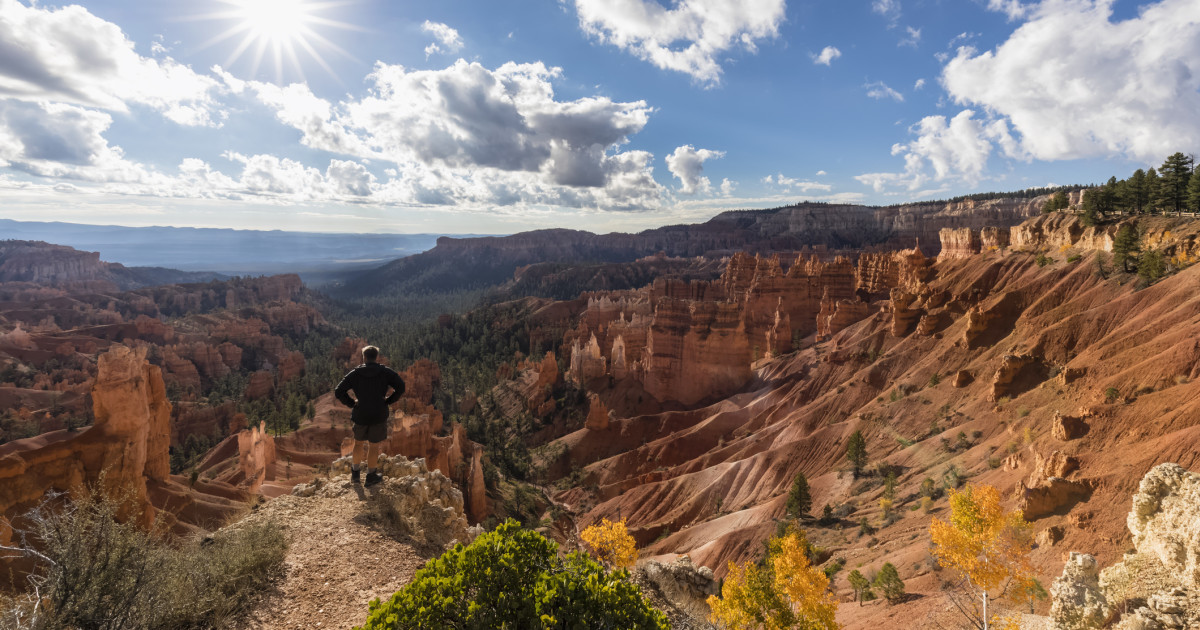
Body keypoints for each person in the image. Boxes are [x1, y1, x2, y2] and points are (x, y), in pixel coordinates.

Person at [334, 345, 404, 487]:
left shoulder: (355, 373)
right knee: (373, 446)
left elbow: (338, 391)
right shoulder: (385, 372)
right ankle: (371, 476)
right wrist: (388, 401)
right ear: (376, 357)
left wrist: (352, 403)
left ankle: (355, 474)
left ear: (364, 357)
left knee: (358, 443)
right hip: (378, 414)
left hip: (361, 413)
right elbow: (401, 387)